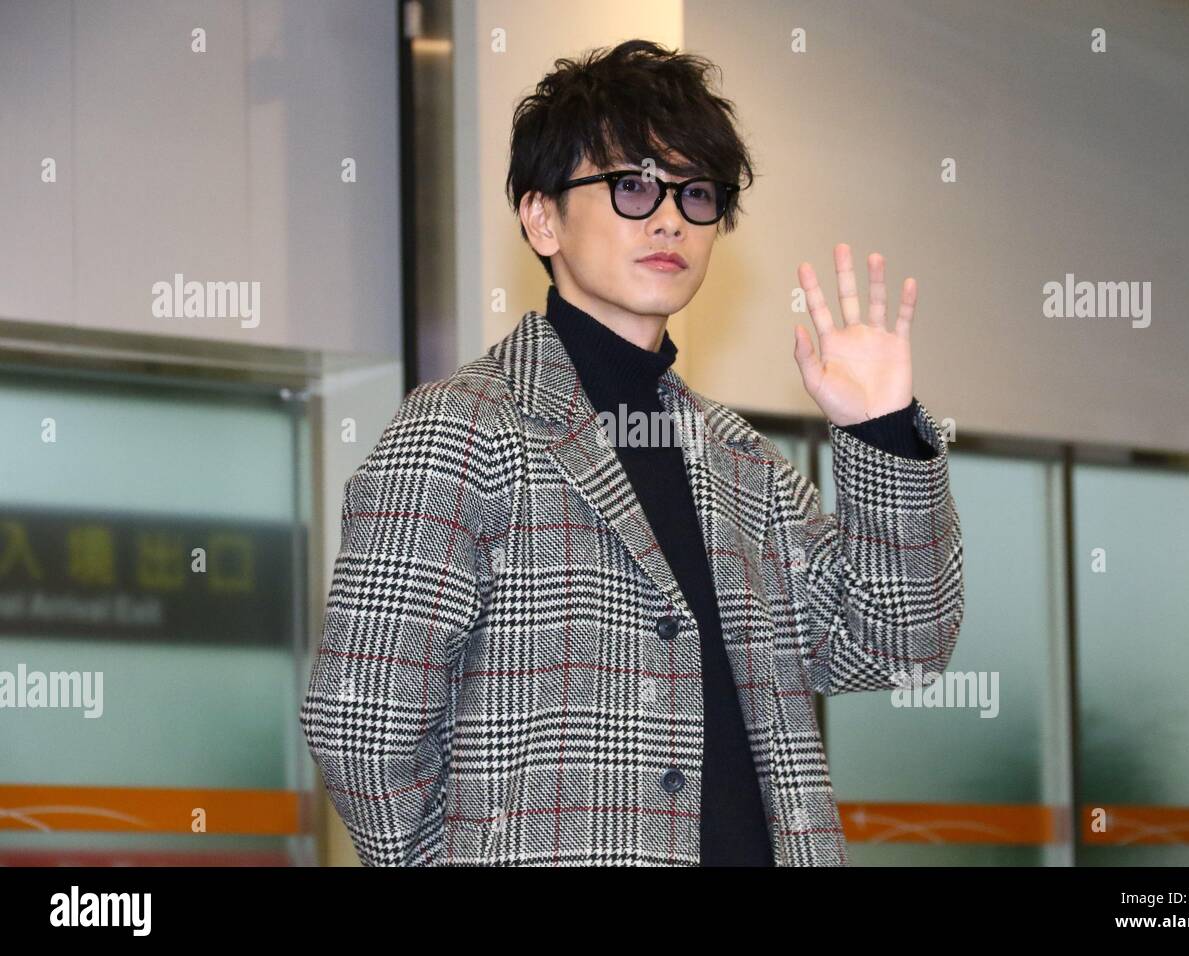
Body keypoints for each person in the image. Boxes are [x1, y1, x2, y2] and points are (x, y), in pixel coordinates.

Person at [300, 38, 964, 867]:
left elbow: (895, 644)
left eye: (695, 194)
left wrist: (880, 431)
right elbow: (363, 721)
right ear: (542, 216)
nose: (667, 219)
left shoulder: (737, 459)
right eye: (631, 185)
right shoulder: (463, 429)